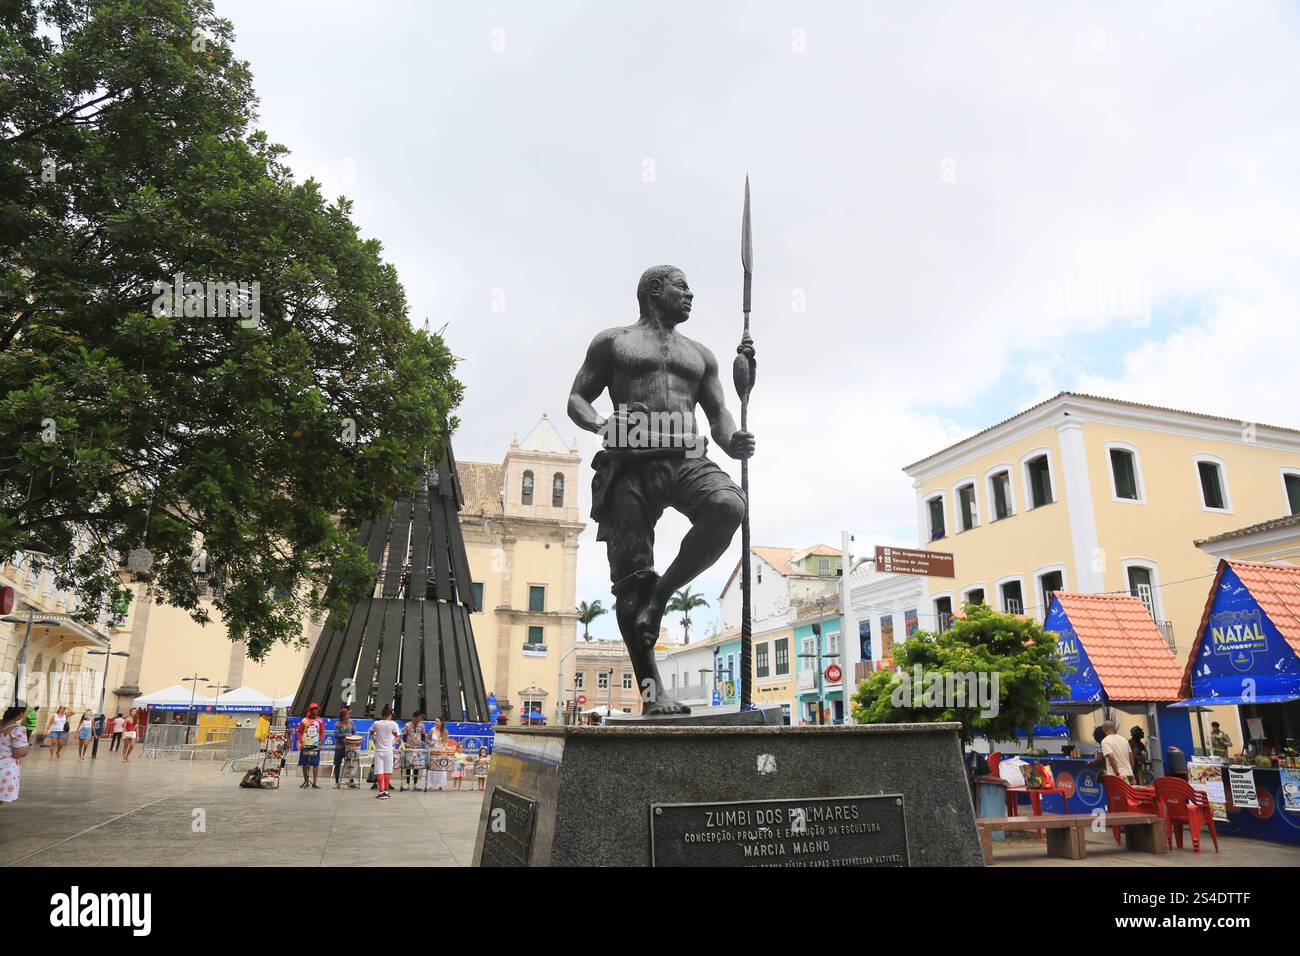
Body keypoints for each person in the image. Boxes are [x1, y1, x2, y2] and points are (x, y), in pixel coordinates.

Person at [567, 265, 755, 715]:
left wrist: (734, 442)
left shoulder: (702, 355)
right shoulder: (613, 341)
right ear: (656, 291)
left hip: (687, 457)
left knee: (729, 506)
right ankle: (654, 696)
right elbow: (577, 398)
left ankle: (663, 593)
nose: (691, 295)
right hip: (629, 464)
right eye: (682, 287)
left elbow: (719, 414)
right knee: (631, 581)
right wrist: (600, 424)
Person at [368, 705, 401, 800]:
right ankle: (386, 791)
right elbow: (398, 736)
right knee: (387, 771)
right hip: (389, 751)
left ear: (382, 714)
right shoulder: (393, 724)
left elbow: (371, 732)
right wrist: (393, 742)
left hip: (379, 751)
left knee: (379, 771)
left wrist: (375, 737)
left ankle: (381, 792)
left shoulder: (376, 724)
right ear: (390, 715)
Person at [1, 705, 31, 805]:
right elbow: (18, 752)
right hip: (5, 769)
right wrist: (26, 748)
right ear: (20, 714)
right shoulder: (18, 729)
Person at [297, 702, 326, 789]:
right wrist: (301, 741)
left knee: (315, 763)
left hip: (315, 744)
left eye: (317, 709)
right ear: (311, 710)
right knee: (304, 763)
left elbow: (321, 732)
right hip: (305, 744)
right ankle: (306, 781)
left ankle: (314, 782)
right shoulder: (304, 721)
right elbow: (299, 732)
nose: (316, 711)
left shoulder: (320, 721)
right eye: (314, 709)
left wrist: (320, 742)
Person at [1099, 719, 1135, 783]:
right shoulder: (1124, 739)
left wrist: (1117, 774)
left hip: (1118, 777)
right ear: (1114, 728)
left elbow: (1111, 757)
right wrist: (1131, 771)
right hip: (1129, 774)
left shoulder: (1105, 741)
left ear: (1104, 730)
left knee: (1117, 793)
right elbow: (1131, 756)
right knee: (1126, 792)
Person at [400, 710, 425, 791]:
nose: (419, 719)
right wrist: (405, 743)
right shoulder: (407, 725)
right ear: (414, 717)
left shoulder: (422, 725)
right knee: (408, 765)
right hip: (409, 748)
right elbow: (404, 735)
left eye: (420, 718)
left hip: (418, 749)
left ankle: (415, 784)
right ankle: (407, 783)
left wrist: (423, 741)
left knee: (416, 766)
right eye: (418, 718)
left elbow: (423, 735)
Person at [332, 707, 354, 788]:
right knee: (337, 764)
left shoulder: (351, 722)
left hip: (349, 747)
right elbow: (336, 735)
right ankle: (337, 782)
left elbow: (354, 732)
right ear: (343, 715)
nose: (349, 715)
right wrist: (345, 735)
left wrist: (353, 733)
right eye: (347, 714)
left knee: (351, 764)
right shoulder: (338, 724)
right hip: (340, 747)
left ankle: (351, 781)